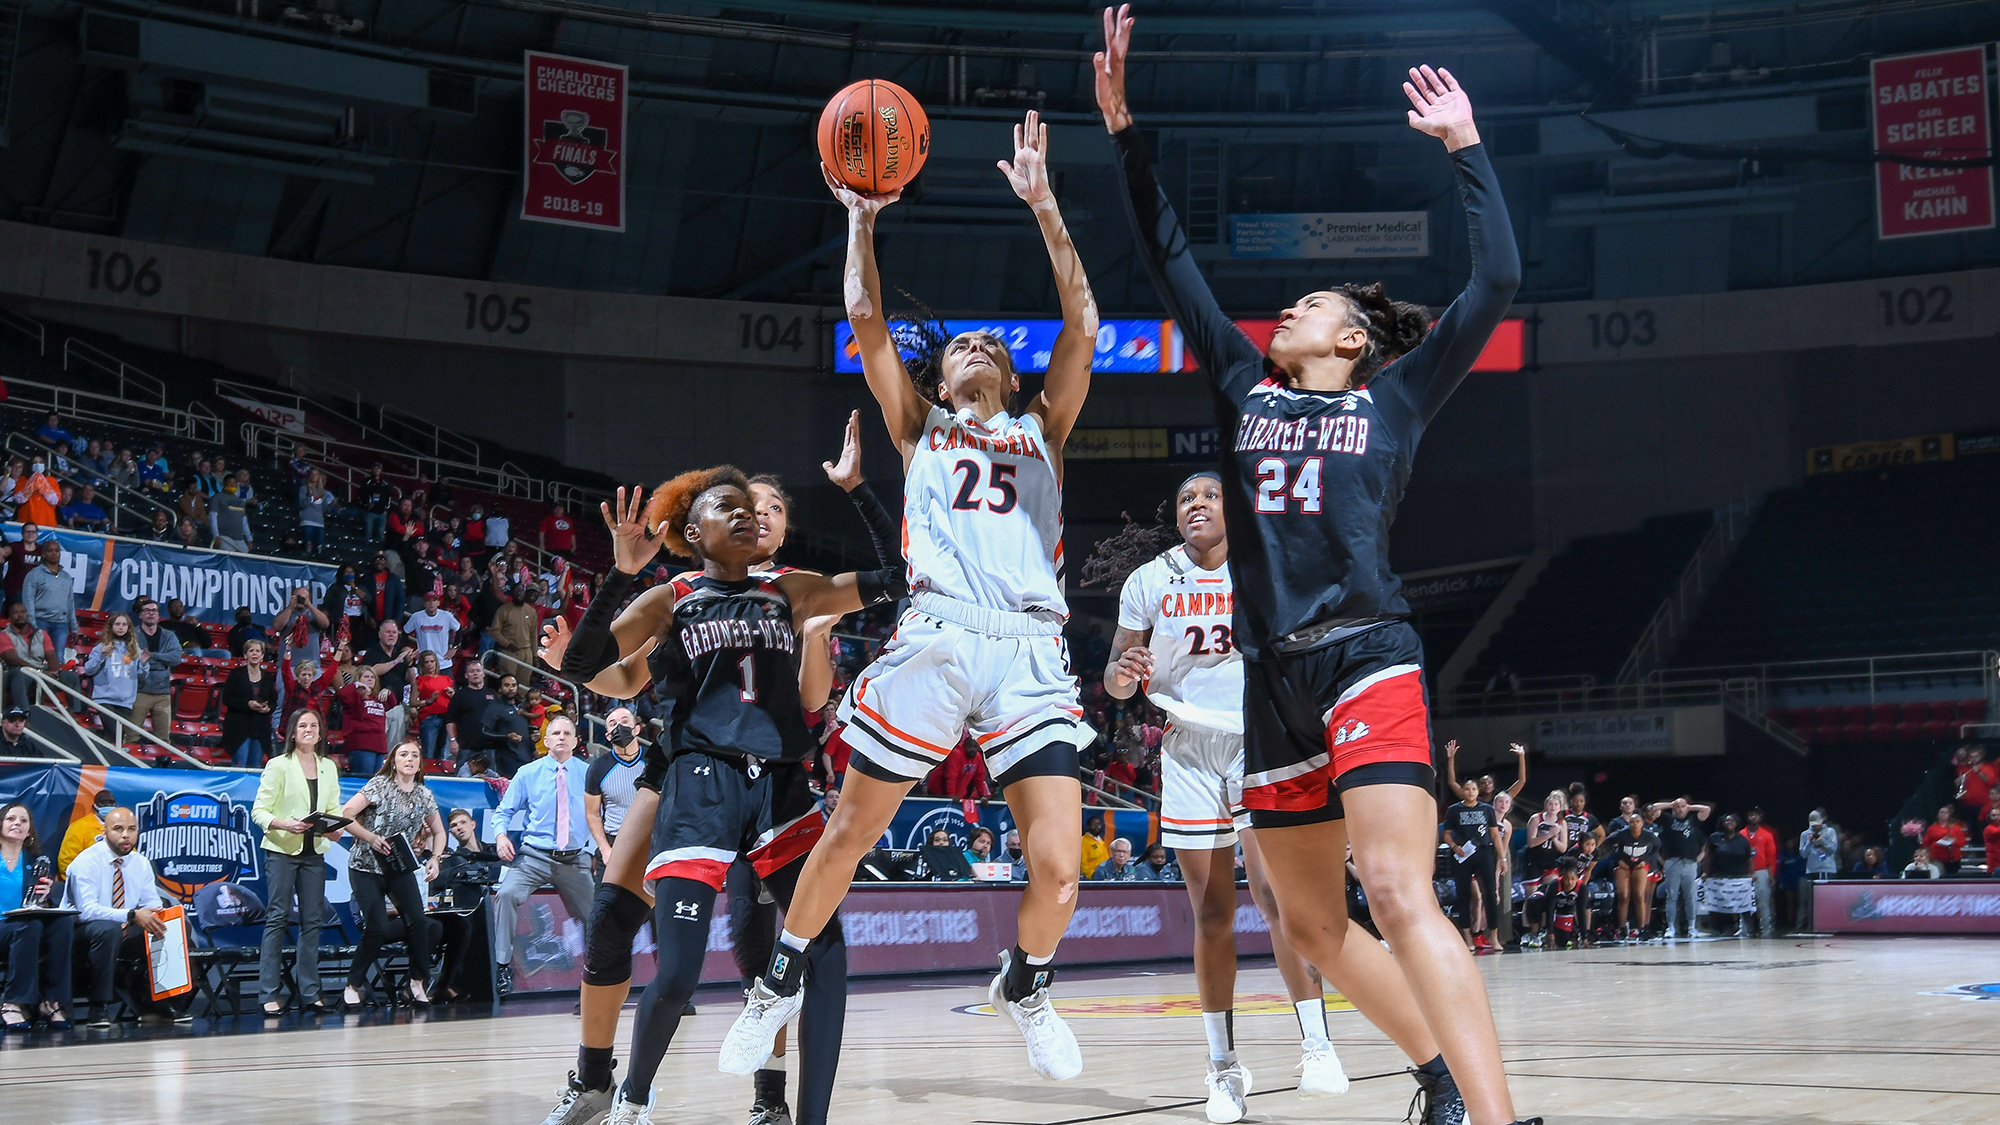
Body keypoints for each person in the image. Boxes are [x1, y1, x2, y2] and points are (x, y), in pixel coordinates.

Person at [1099, 10, 1522, 1120]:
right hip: (1268, 681)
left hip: (1365, 654)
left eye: (1313, 304)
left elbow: (1494, 285)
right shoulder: (1244, 388)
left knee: (1392, 888)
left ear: (1351, 342)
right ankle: (1432, 1073)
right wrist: (1126, 133)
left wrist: (1465, 149)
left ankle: (1493, 1114)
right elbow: (1170, 260)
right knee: (1308, 929)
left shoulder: (1395, 396)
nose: (1288, 309)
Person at [723, 108, 1101, 1093]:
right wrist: (859, 218)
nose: (973, 345)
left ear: (1006, 370)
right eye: (960, 343)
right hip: (935, 638)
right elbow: (863, 320)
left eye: (987, 342)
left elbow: (1085, 323)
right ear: (938, 374)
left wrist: (1043, 203)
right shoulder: (916, 428)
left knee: (1059, 870)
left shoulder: (1042, 428)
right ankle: (776, 986)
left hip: (1027, 649)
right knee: (850, 828)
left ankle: (1027, 984)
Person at [537, 459, 902, 1125]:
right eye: (739, 504)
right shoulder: (682, 594)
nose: (752, 514)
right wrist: (596, 628)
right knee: (620, 919)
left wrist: (856, 494)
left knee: (770, 946)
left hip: (773, 775)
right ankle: (600, 1082)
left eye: (767, 508)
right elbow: (616, 673)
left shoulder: (797, 593)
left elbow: (822, 690)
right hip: (687, 767)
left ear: (782, 528)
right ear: (697, 529)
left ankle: (772, 1098)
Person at [1086, 470, 1357, 1110]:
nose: (1196, 505)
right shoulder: (1149, 580)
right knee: (1210, 914)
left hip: (1257, 742)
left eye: (1208, 496)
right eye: (1185, 498)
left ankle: (1317, 1044)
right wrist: (1122, 673)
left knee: (1275, 898)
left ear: (1231, 510)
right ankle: (1223, 1067)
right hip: (1188, 749)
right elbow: (1118, 683)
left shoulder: (1264, 568)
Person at [487, 713, 595, 998]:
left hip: (574, 859)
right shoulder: (528, 773)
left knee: (597, 916)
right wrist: (500, 836)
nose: (561, 737)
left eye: (566, 733)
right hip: (535, 856)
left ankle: (599, 976)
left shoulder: (588, 774)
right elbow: (504, 812)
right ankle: (502, 965)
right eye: (555, 733)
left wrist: (596, 850)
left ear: (575, 741)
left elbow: (599, 815)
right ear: (546, 741)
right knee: (507, 894)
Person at [338, 737, 446, 1007]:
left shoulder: (424, 793)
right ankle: (354, 983)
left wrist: (435, 857)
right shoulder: (379, 786)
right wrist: (370, 837)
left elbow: (439, 831)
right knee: (376, 926)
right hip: (366, 865)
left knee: (419, 921)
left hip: (398, 866)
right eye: (403, 755)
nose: (409, 760)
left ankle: (417, 981)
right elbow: (347, 813)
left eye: (414, 756)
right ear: (394, 762)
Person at [251, 709, 346, 1013]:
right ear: (292, 732)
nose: (309, 730)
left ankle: (309, 991)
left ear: (321, 732)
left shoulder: (328, 766)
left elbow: (333, 807)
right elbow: (259, 812)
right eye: (303, 725)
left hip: (314, 852)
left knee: (312, 922)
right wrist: (284, 824)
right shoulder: (278, 765)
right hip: (281, 850)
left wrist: (334, 829)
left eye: (314, 725)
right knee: (277, 917)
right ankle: (268, 993)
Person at [66, 807, 179, 1025]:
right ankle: (99, 1006)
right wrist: (131, 915)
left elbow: (152, 904)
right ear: (105, 832)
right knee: (108, 930)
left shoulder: (140, 862)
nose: (126, 835)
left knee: (169, 924)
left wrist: (155, 914)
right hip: (81, 933)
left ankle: (160, 1002)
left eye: (132, 829)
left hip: (124, 926)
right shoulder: (86, 862)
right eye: (118, 829)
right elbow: (86, 911)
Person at [0, 802, 72, 1030]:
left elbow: (36, 903)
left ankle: (50, 1001)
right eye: (11, 819)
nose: (17, 824)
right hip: (5, 926)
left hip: (23, 925)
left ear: (29, 831)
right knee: (29, 926)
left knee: (63, 923)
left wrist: (45, 895)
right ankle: (12, 1003)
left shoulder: (35, 861)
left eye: (23, 820)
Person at [1442, 780, 1504, 954]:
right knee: (1464, 896)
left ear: (1478, 792)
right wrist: (1454, 846)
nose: (1470, 792)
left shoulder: (1487, 809)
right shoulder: (1454, 810)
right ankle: (1468, 936)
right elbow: (1445, 834)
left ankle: (1494, 936)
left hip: (1484, 852)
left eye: (1473, 789)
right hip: (1462, 855)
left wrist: (1503, 857)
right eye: (1467, 789)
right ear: (1462, 791)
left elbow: (1494, 834)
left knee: (1490, 894)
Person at [584, 706, 647, 866]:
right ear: (608, 735)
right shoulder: (597, 768)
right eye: (613, 723)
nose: (619, 727)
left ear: (636, 729)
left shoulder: (655, 762)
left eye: (625, 722)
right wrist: (605, 849)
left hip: (650, 842)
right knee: (605, 892)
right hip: (614, 843)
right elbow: (592, 814)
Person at [1649, 796, 1710, 940]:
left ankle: (1692, 927)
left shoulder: (1693, 820)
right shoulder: (1668, 819)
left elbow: (1706, 810)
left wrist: (1689, 806)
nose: (1680, 809)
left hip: (1689, 863)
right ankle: (1671, 927)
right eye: (1677, 807)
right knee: (1672, 896)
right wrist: (1671, 804)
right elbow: (1653, 808)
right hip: (1672, 862)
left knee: (1690, 896)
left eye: (1682, 807)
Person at [127, 597, 185, 738]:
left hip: (162, 692)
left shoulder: (169, 636)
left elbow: (175, 659)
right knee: (131, 736)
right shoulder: (132, 635)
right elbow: (130, 659)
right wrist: (161, 661)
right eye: (146, 611)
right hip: (139, 691)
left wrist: (150, 657)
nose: (151, 613)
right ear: (140, 615)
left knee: (163, 738)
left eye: (154, 610)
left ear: (158, 614)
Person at [81, 611, 144, 727]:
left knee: (115, 737)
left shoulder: (135, 650)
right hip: (105, 699)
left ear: (129, 628)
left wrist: (144, 665)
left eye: (124, 625)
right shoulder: (101, 647)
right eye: (117, 624)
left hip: (126, 701)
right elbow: (88, 670)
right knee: (113, 732)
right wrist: (101, 655)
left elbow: (142, 676)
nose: (121, 627)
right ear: (111, 627)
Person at [223, 637, 279, 768]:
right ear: (245, 655)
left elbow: (273, 700)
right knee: (240, 766)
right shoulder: (236, 674)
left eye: (258, 651)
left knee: (255, 767)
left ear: (262, 655)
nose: (254, 654)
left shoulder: (268, 677)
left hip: (260, 729)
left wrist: (268, 708)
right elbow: (227, 699)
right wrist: (247, 704)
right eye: (251, 651)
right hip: (238, 728)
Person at [1609, 812, 1661, 942]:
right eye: (1632, 822)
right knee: (1623, 896)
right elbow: (1606, 843)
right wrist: (1618, 859)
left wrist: (1646, 859)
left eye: (1637, 821)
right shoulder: (1622, 834)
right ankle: (1622, 929)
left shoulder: (1648, 836)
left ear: (1642, 823)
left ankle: (1642, 929)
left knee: (1639, 895)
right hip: (1624, 866)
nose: (1635, 824)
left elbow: (1658, 846)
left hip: (1640, 866)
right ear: (1628, 823)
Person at [0, 603, 60, 713]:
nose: (20, 615)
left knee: (70, 676)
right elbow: (14, 660)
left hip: (39, 672)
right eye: (15, 613)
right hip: (13, 673)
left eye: (22, 612)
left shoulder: (41, 633)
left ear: (28, 615)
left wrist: (54, 672)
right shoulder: (4, 635)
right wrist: (39, 672)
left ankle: (76, 713)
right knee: (20, 673)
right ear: (9, 618)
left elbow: (51, 654)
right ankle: (24, 712)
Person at [334, 664, 392, 777]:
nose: (370, 679)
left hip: (379, 745)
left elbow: (392, 702)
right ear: (358, 678)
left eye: (372, 677)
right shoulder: (354, 697)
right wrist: (356, 685)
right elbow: (342, 694)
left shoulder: (378, 698)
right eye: (366, 677)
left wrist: (388, 691)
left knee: (376, 785)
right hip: (361, 745)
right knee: (362, 783)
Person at [1704, 814, 1757, 936]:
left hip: (1739, 877)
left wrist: (1752, 873)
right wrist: (1706, 872)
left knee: (1742, 904)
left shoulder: (1742, 840)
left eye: (1732, 821)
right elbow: (1708, 856)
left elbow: (1748, 858)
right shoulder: (1715, 837)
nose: (1729, 823)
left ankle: (1746, 928)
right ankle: (1721, 929)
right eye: (1727, 821)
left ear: (1737, 823)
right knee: (1719, 904)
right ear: (1722, 823)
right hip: (1719, 876)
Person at [20, 541, 74, 660]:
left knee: (58, 658)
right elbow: (28, 601)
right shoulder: (34, 574)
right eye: (50, 551)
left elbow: (70, 603)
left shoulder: (66, 577)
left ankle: (53, 679)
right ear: (44, 554)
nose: (54, 553)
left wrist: (74, 627)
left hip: (61, 624)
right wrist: (32, 625)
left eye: (56, 551)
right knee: (37, 656)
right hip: (40, 622)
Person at [444, 659, 501, 765]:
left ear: (483, 674)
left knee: (492, 780)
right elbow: (450, 720)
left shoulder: (492, 694)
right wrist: (452, 740)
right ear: (466, 675)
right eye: (471, 671)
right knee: (463, 779)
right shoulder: (460, 695)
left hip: (490, 747)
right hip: (466, 747)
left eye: (478, 670)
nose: (475, 673)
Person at [480, 672, 537, 778]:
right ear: (500, 689)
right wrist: (507, 737)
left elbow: (528, 728)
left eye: (514, 685)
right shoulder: (495, 708)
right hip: (507, 761)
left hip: (527, 759)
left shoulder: (523, 706)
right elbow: (484, 732)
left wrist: (535, 735)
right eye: (507, 685)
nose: (511, 689)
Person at [410, 649, 455, 760]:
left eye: (432, 661)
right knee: (428, 754)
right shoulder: (420, 680)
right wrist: (428, 701)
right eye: (427, 662)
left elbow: (455, 701)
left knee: (442, 755)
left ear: (436, 662)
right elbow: (412, 702)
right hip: (429, 719)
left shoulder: (446, 679)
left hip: (446, 719)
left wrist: (453, 695)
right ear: (422, 664)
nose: (430, 664)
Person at [1742, 807, 1779, 936]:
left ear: (1760, 817)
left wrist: (1771, 873)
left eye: (1756, 815)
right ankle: (1744, 928)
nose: (1753, 817)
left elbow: (1771, 855)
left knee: (1763, 901)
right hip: (1744, 873)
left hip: (1761, 871)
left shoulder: (1766, 835)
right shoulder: (1741, 834)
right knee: (1742, 901)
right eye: (1751, 814)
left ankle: (1766, 927)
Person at [1798, 810, 1839, 926]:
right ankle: (1812, 925)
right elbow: (1803, 854)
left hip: (1827, 869)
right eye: (1813, 825)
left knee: (1828, 899)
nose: (1815, 827)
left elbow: (1833, 850)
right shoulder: (1805, 834)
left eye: (1817, 824)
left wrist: (1823, 841)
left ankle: (1829, 924)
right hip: (1812, 869)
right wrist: (1809, 843)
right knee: (1811, 900)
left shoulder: (1830, 832)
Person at [488, 584, 539, 675]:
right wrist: (508, 644)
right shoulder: (503, 610)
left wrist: (534, 655)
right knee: (508, 681)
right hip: (509, 652)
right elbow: (494, 631)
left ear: (525, 593)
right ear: (511, 593)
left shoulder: (531, 611)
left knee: (524, 684)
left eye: (521, 591)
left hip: (526, 652)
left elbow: (533, 635)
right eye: (516, 590)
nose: (519, 593)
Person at [406, 591, 458, 663]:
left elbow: (459, 629)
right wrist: (411, 651)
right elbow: (405, 632)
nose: (431, 603)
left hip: (444, 661)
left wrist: (455, 648)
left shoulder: (446, 616)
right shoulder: (416, 617)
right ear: (424, 603)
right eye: (428, 601)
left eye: (434, 600)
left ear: (438, 603)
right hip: (424, 662)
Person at [1921, 805, 1967, 876]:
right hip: (1937, 858)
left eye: (1946, 812)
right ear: (1938, 815)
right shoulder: (1932, 828)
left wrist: (1953, 841)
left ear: (1949, 815)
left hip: (1953, 859)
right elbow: (1926, 843)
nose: (1944, 814)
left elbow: (1962, 842)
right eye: (1941, 812)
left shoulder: (1956, 828)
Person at [360, 463, 393, 545]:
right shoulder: (367, 481)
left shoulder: (385, 483)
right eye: (375, 468)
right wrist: (367, 504)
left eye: (379, 468)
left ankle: (380, 548)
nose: (377, 470)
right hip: (370, 511)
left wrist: (386, 509)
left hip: (382, 511)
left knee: (381, 532)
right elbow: (362, 494)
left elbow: (388, 497)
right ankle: (366, 547)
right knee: (368, 530)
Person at [1080, 815, 1110, 880]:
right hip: (1091, 878)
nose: (1097, 827)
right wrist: (1092, 876)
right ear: (1088, 827)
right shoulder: (1083, 841)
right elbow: (1082, 863)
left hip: (1105, 877)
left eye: (1098, 824)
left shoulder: (1101, 841)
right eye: (1093, 824)